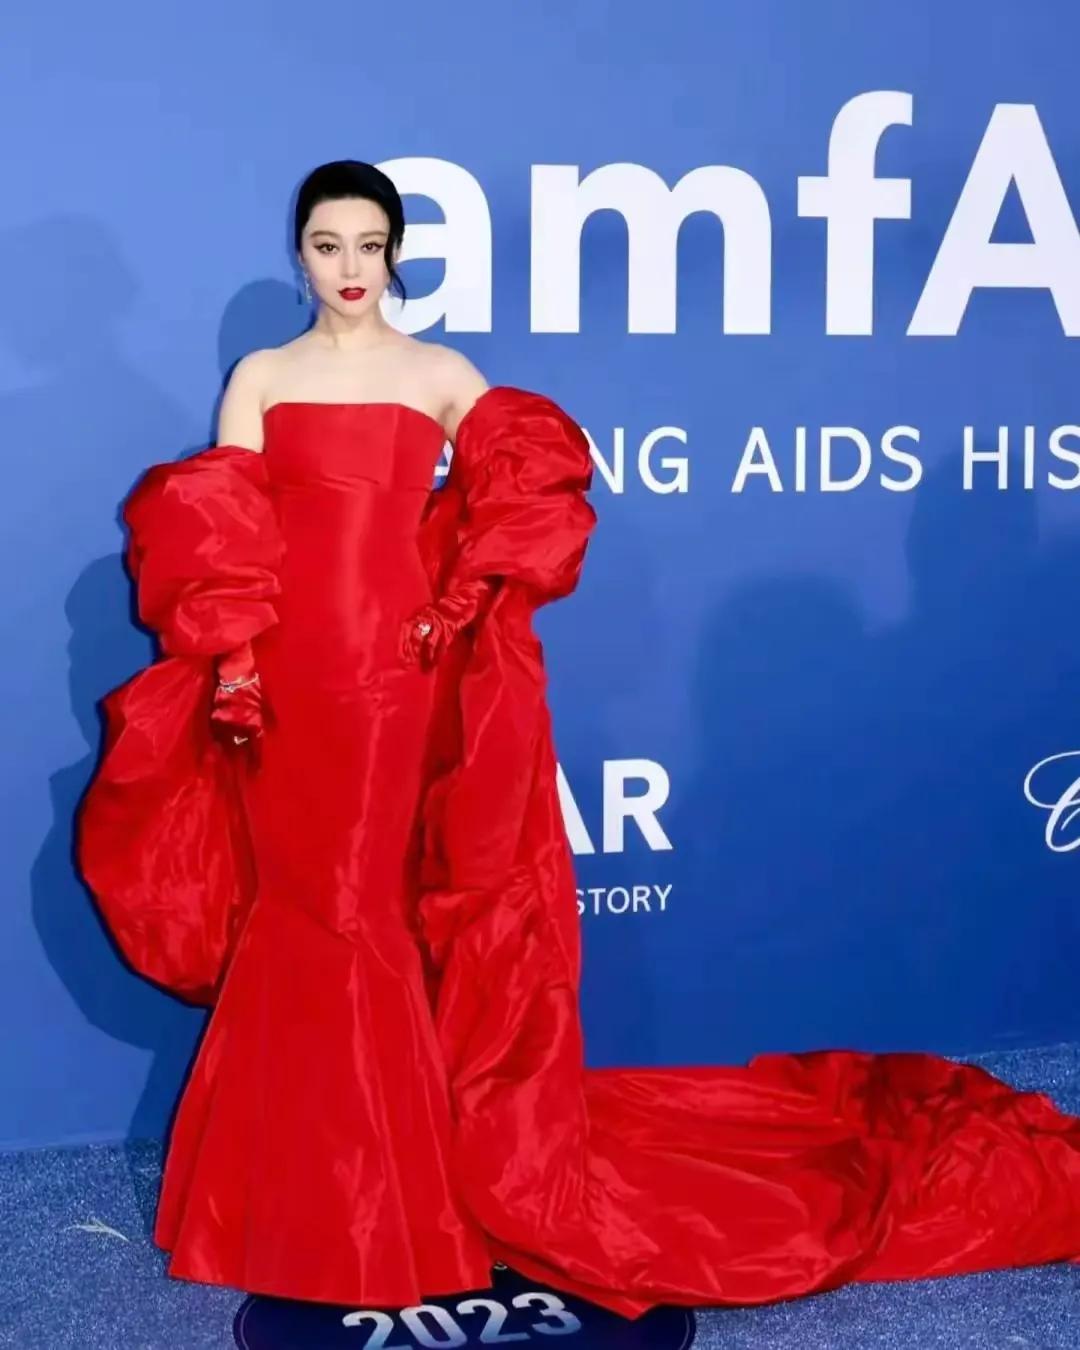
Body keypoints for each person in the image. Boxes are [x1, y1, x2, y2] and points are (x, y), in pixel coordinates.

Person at [76, 160, 1080, 1320]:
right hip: (287, 685)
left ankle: (388, 1204)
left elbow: (539, 471)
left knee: (363, 907)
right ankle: (283, 1197)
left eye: (367, 244)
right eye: (325, 245)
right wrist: (238, 662)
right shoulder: (259, 376)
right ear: (295, 255)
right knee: (302, 907)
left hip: (398, 678)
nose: (348, 269)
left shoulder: (441, 373)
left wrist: (459, 599)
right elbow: (220, 527)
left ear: (396, 251)